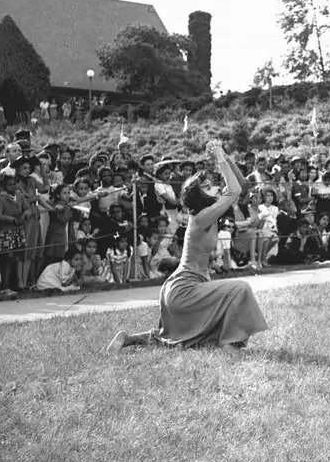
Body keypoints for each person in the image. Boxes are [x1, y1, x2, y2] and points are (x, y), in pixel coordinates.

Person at [107, 140, 270, 351]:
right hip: (185, 288)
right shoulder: (201, 216)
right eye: (208, 187)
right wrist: (218, 156)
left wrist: (225, 158)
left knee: (192, 338)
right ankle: (230, 342)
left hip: (185, 286)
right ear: (200, 195)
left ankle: (127, 339)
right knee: (241, 288)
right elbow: (234, 191)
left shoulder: (209, 213)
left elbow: (241, 186)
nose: (215, 188)